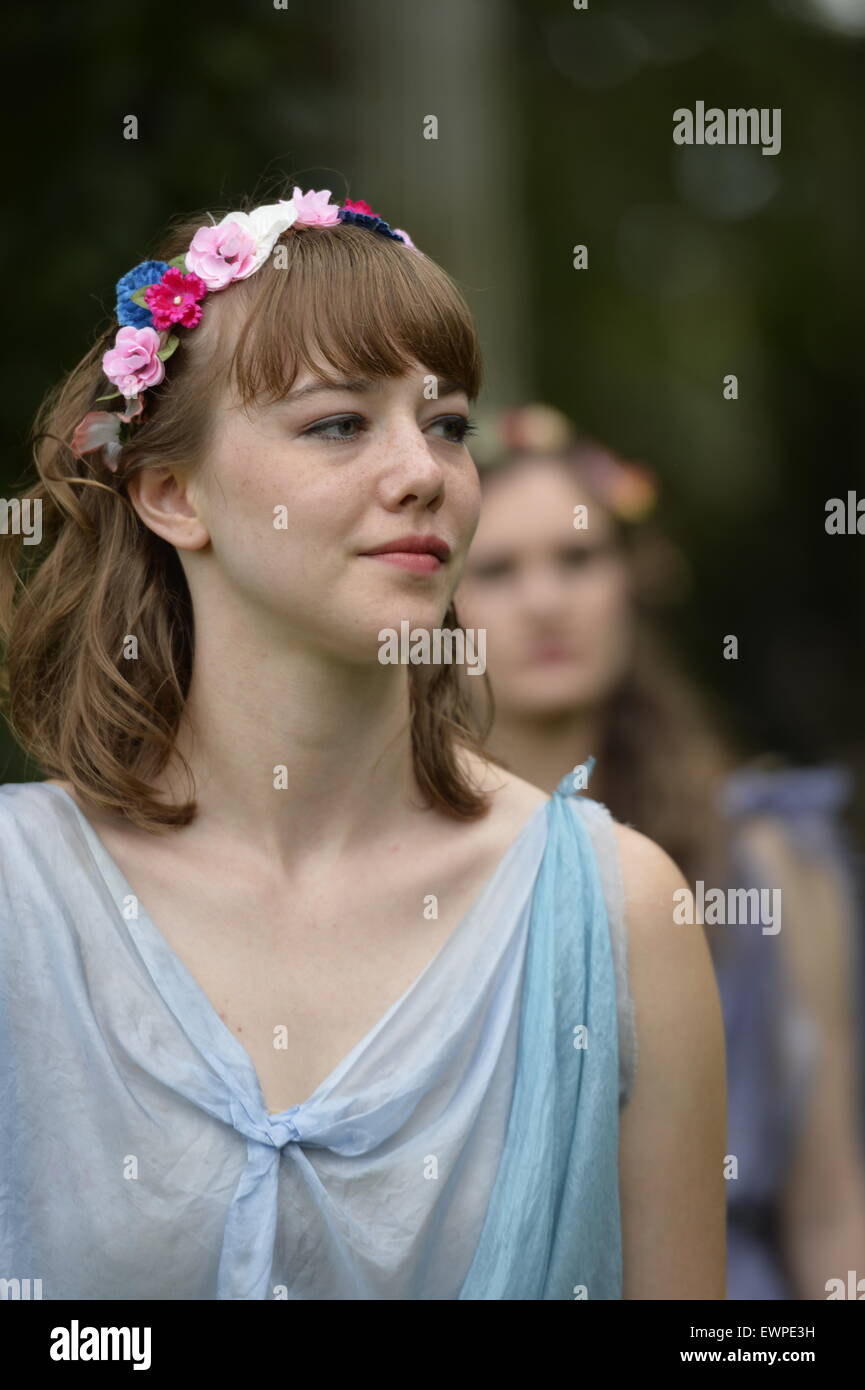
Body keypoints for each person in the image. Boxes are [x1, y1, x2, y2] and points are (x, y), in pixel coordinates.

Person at [0, 190, 725, 1301]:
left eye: (447, 424)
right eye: (338, 423)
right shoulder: (20, 901)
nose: (424, 472)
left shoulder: (617, 911)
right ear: (168, 493)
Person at [454, 403, 865, 1300]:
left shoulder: (762, 854)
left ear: (629, 581)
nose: (545, 599)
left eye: (577, 558)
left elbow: (831, 1206)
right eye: (497, 569)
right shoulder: (408, 861)